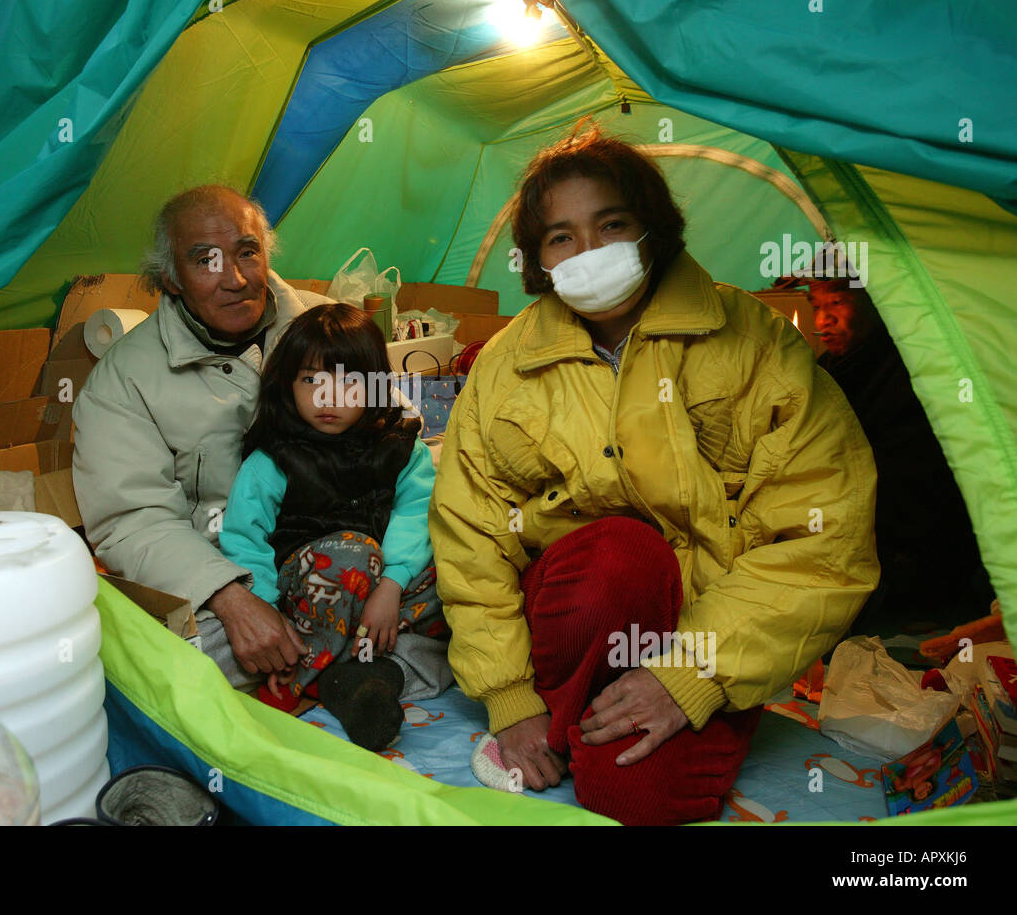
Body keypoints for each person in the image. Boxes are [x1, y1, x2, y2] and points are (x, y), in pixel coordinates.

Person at [428, 128, 880, 825]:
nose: (589, 253)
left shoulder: (755, 344)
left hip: (706, 635)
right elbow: (470, 534)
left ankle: (600, 726)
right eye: (561, 237)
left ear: (652, 230)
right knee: (620, 553)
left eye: (612, 225)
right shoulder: (504, 366)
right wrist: (508, 696)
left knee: (633, 797)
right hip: (575, 626)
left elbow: (824, 539)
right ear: (536, 259)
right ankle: (565, 707)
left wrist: (692, 675)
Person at [73, 185, 450, 703]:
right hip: (246, 577)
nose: (234, 277)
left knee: (475, 579)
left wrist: (398, 571)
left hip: (378, 561)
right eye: (204, 259)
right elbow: (131, 519)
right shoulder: (124, 382)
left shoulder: (329, 325)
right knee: (163, 659)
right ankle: (371, 672)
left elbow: (397, 434)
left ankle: (330, 672)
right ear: (170, 280)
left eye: (246, 251)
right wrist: (234, 598)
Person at [218, 304, 449, 750]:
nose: (328, 397)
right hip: (308, 593)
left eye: (348, 382)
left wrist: (393, 585)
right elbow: (243, 538)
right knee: (353, 552)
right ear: (288, 385)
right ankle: (299, 674)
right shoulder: (274, 457)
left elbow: (416, 515)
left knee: (457, 562)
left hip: (383, 596)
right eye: (311, 380)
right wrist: (266, 609)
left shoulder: (403, 448)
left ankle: (357, 676)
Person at [796, 266, 994, 629]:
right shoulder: (827, 371)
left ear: (875, 300)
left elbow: (906, 488)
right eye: (816, 303)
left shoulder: (912, 375)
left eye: (837, 301)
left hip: (916, 581)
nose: (823, 319)